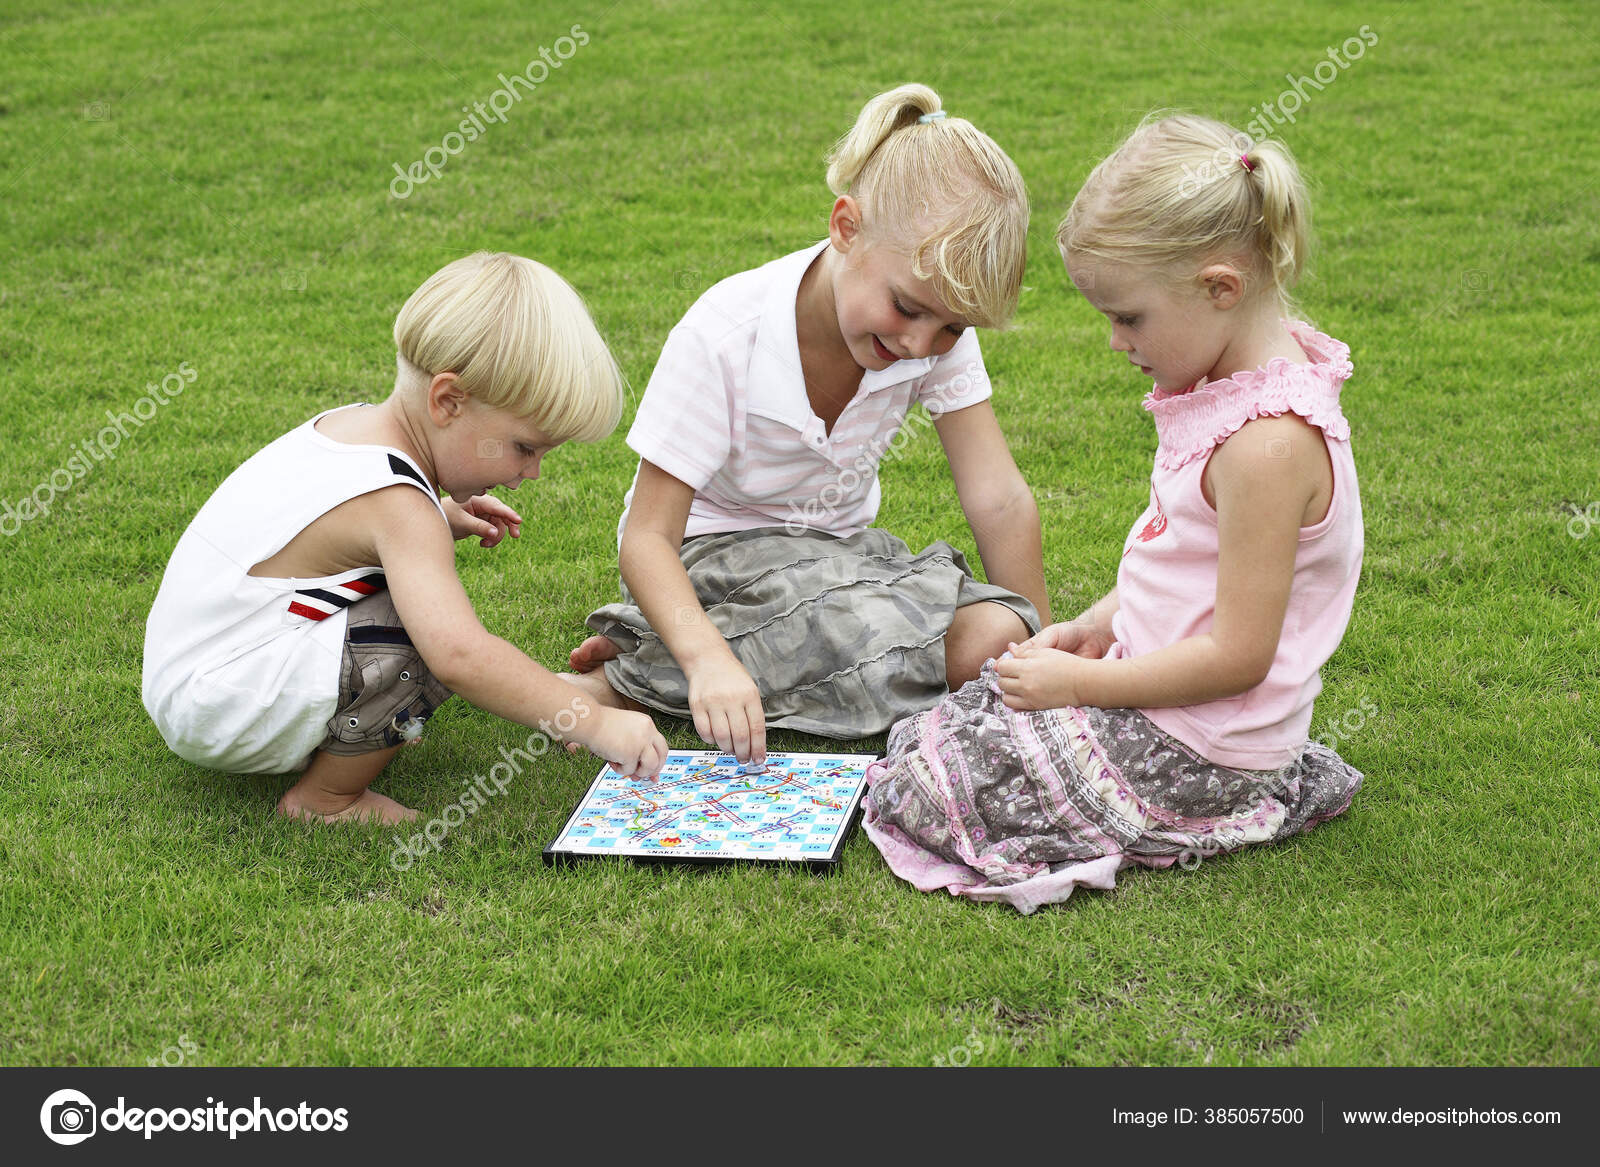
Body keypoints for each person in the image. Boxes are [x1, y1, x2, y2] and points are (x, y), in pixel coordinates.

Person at [863, 114, 1365, 913]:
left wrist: (1086, 683)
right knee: (955, 724)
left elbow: (1238, 655)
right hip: (1163, 701)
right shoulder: (1229, 388)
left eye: (1128, 317)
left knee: (937, 780)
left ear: (1219, 287)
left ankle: (1231, 805)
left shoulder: (1269, 447)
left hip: (1206, 744)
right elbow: (1184, 560)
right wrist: (1099, 624)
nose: (1113, 341)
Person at [568, 83, 1052, 765]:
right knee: (869, 634)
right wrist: (708, 661)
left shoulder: (931, 329)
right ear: (845, 227)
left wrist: (1038, 657)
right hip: (707, 560)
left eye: (952, 327)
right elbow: (647, 538)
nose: (920, 344)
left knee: (991, 635)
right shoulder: (726, 333)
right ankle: (627, 679)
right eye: (908, 308)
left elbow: (998, 497)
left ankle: (658, 653)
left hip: (840, 561)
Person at [142, 252, 668, 826]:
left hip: (199, 677)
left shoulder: (352, 427)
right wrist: (593, 724)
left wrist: (441, 512)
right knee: (423, 641)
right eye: (525, 447)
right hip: (221, 707)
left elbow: (327, 535)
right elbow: (461, 655)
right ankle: (325, 801)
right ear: (447, 401)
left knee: (410, 610)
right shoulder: (399, 508)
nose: (532, 472)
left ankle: (342, 730)